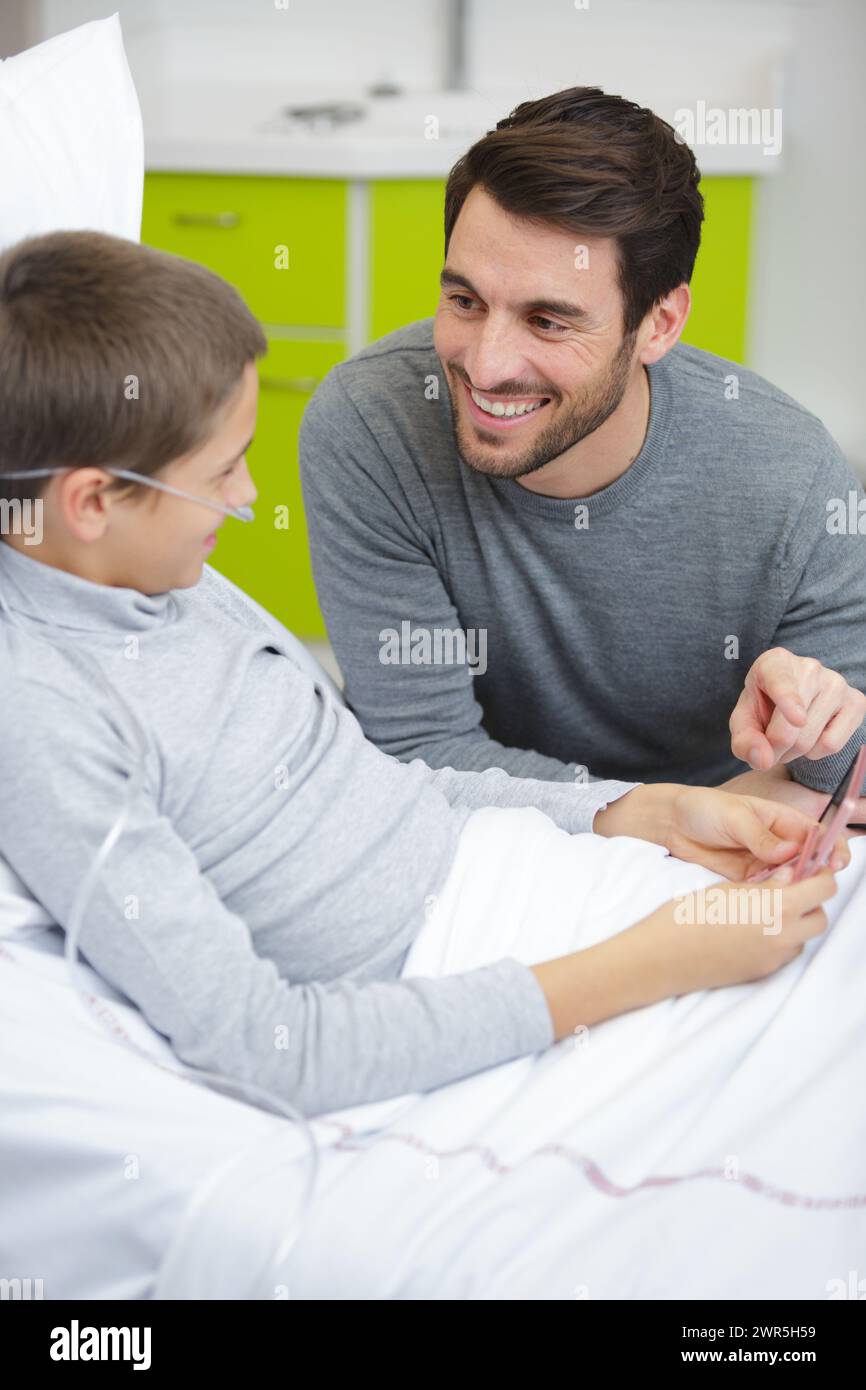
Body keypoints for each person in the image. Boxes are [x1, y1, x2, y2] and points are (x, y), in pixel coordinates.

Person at [0, 230, 847, 1120]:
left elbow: (380, 787)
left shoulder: (163, 585)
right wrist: (658, 959)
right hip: (478, 981)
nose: (248, 496)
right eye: (221, 472)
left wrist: (645, 811)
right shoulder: (48, 720)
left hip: (524, 876)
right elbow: (270, 1046)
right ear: (92, 502)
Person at [298, 85, 866, 823]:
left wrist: (816, 729)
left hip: (731, 852)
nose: (486, 364)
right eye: (465, 301)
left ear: (659, 324)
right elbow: (420, 749)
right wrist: (651, 814)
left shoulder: (792, 474)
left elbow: (848, 776)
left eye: (547, 321)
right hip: (483, 845)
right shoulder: (370, 426)